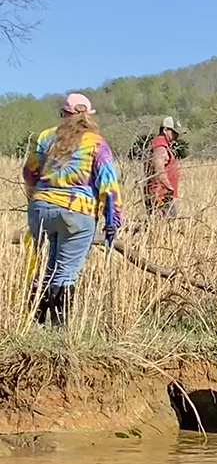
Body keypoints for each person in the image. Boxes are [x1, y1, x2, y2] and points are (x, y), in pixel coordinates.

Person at [22, 92, 123, 325]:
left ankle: (35, 324)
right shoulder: (96, 142)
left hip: (41, 208)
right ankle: (59, 331)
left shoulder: (47, 137)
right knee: (65, 272)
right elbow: (108, 186)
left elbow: (29, 172)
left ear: (63, 115)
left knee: (45, 267)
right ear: (87, 116)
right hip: (77, 213)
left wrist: (34, 199)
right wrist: (113, 220)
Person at [144, 116, 181, 217]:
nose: (176, 136)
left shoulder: (162, 144)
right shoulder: (160, 145)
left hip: (162, 193)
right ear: (165, 130)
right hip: (160, 194)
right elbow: (159, 171)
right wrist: (169, 188)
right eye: (174, 132)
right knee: (166, 223)